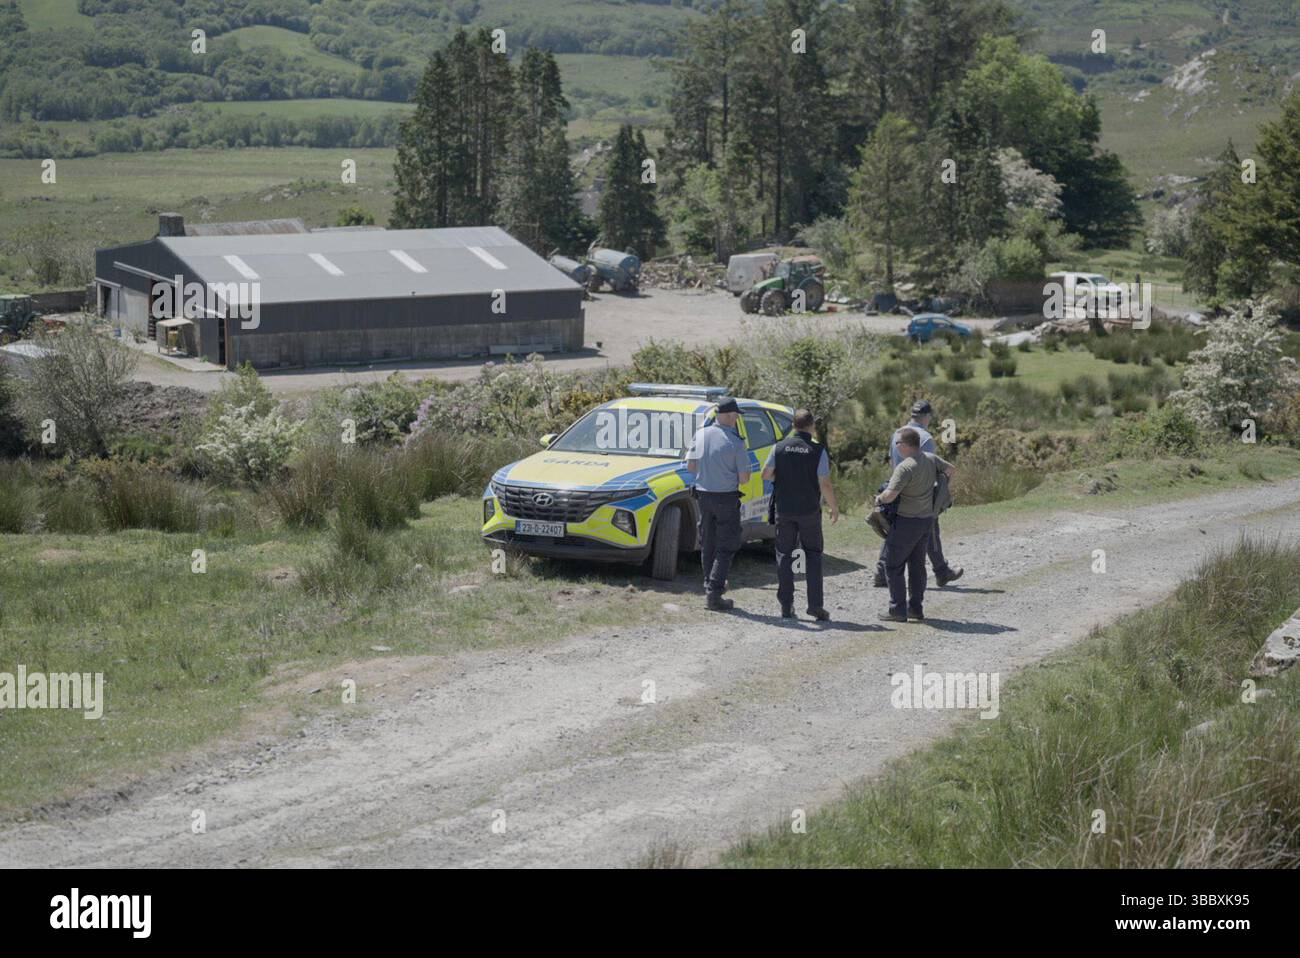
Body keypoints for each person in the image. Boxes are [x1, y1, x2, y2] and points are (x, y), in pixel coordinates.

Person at [873, 399, 964, 589]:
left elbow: (893, 463)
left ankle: (882, 573)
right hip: (920, 492)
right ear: (927, 417)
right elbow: (927, 465)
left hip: (897, 488)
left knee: (894, 530)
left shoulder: (897, 434)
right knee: (930, 529)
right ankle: (942, 572)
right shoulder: (925, 438)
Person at [762, 408, 839, 621]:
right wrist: (834, 507)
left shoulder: (779, 447)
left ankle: (786, 606)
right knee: (813, 555)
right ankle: (815, 605)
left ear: (794, 426)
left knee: (785, 555)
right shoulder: (817, 449)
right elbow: (825, 483)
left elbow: (766, 474)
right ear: (811, 426)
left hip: (784, 510)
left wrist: (785, 476)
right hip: (809, 511)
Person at [875, 428, 956, 622]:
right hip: (926, 520)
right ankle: (915, 609)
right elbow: (951, 470)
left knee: (893, 565)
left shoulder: (905, 467)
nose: (896, 447)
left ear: (904, 445)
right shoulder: (930, 458)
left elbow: (890, 495)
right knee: (917, 566)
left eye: (897, 444)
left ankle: (897, 610)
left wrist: (879, 498)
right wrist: (939, 492)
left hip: (906, 521)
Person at [685, 397, 751, 612]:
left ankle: (708, 586)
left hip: (703, 497)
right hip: (726, 498)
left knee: (708, 543)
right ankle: (715, 592)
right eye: (735, 417)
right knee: (727, 545)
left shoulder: (701, 435)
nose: (735, 421)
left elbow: (691, 466)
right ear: (730, 416)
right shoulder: (735, 441)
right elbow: (744, 479)